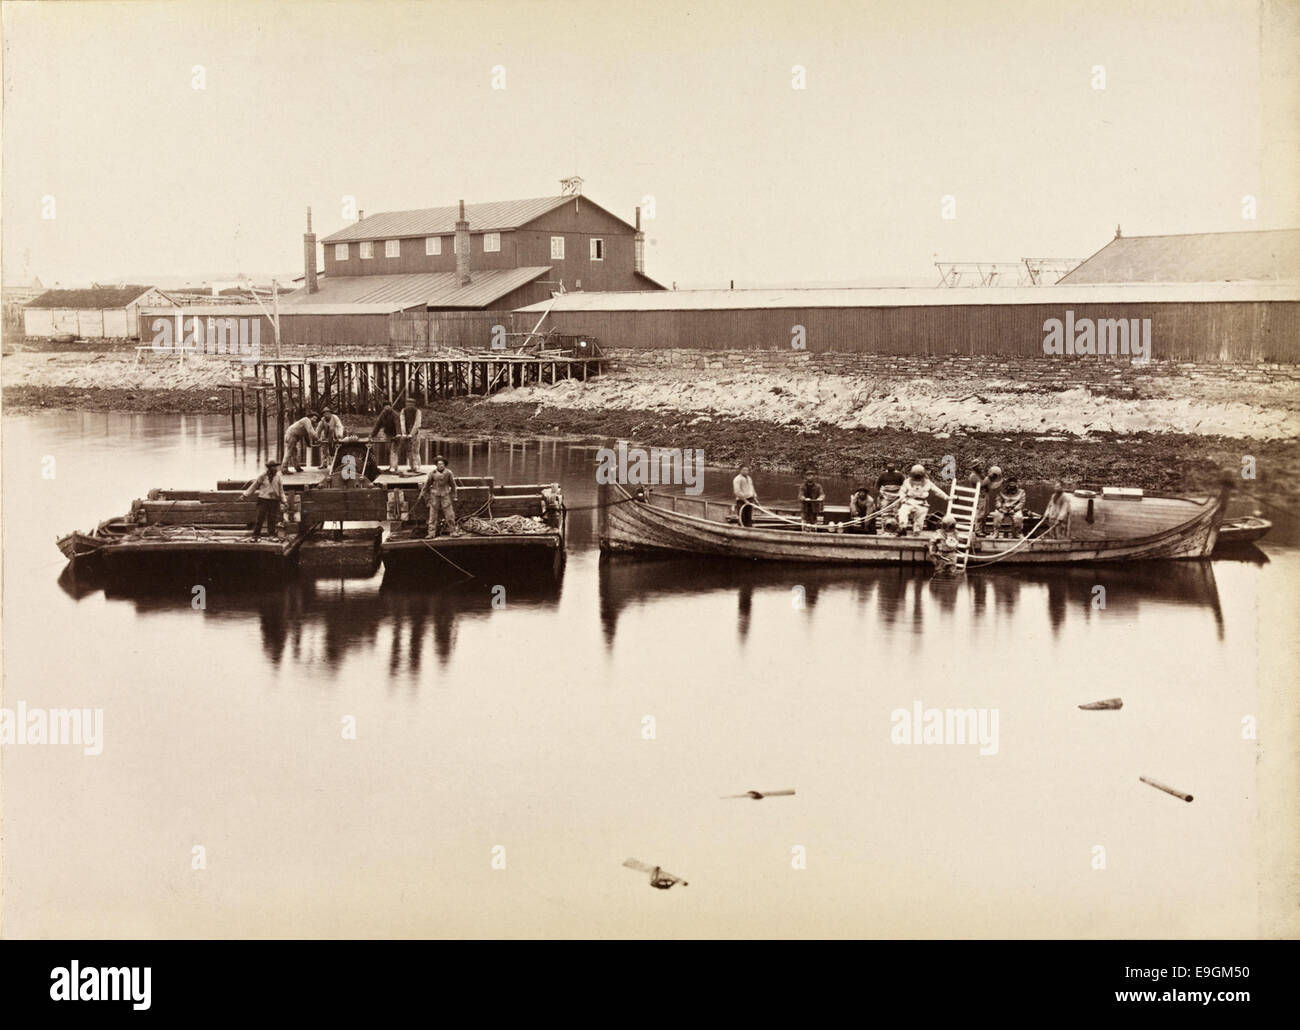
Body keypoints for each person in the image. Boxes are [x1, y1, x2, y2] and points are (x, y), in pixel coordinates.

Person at [241, 458, 287, 541]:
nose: (276, 469)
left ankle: (271, 535)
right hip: (263, 500)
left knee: (272, 519)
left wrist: (284, 501)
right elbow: (254, 486)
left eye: (276, 467)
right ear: (269, 468)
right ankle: (255, 536)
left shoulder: (278, 477)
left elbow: (281, 491)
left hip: (274, 500)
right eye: (274, 467)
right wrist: (245, 495)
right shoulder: (262, 476)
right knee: (260, 518)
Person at [896, 464, 949, 536]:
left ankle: (916, 532)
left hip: (921, 503)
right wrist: (903, 500)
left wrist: (946, 497)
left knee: (920, 519)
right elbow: (902, 491)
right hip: (909, 501)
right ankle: (902, 528)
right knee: (902, 512)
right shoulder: (907, 482)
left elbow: (937, 491)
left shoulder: (927, 482)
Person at [418, 455, 461, 537]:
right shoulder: (432, 473)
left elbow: (453, 485)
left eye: (442, 464)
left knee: (450, 515)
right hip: (435, 495)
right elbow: (426, 485)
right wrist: (422, 495)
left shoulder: (449, 473)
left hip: (446, 495)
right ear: (436, 465)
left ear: (444, 465)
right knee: (433, 515)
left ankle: (453, 531)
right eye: (439, 464)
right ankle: (431, 533)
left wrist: (454, 496)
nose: (440, 465)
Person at [371, 401, 402, 473]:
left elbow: (398, 424)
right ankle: (393, 466)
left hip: (396, 434)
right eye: (385, 406)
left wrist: (398, 434)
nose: (387, 407)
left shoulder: (395, 414)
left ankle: (393, 467)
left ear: (391, 407)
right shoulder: (382, 414)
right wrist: (372, 435)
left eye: (388, 406)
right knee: (390, 450)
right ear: (383, 408)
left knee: (394, 450)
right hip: (388, 434)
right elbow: (377, 425)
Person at [398, 399, 423, 473]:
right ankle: (412, 467)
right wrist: (404, 433)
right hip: (406, 433)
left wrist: (411, 434)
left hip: (416, 433)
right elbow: (402, 422)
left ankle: (417, 467)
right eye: (407, 404)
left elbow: (417, 424)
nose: (409, 406)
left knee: (415, 451)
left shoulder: (418, 411)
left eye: (410, 404)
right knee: (409, 451)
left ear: (414, 405)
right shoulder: (403, 411)